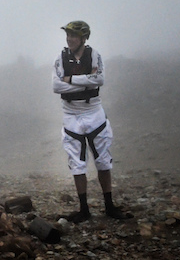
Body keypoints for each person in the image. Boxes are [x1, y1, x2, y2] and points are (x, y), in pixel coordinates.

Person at [52, 20, 131, 222]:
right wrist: (85, 82)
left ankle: (109, 205)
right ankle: (84, 209)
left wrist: (71, 80)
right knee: (76, 163)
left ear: (83, 38)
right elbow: (56, 86)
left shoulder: (94, 55)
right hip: (71, 115)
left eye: (74, 36)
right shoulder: (61, 58)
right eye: (68, 35)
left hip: (94, 112)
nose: (69, 39)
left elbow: (99, 80)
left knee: (103, 160)